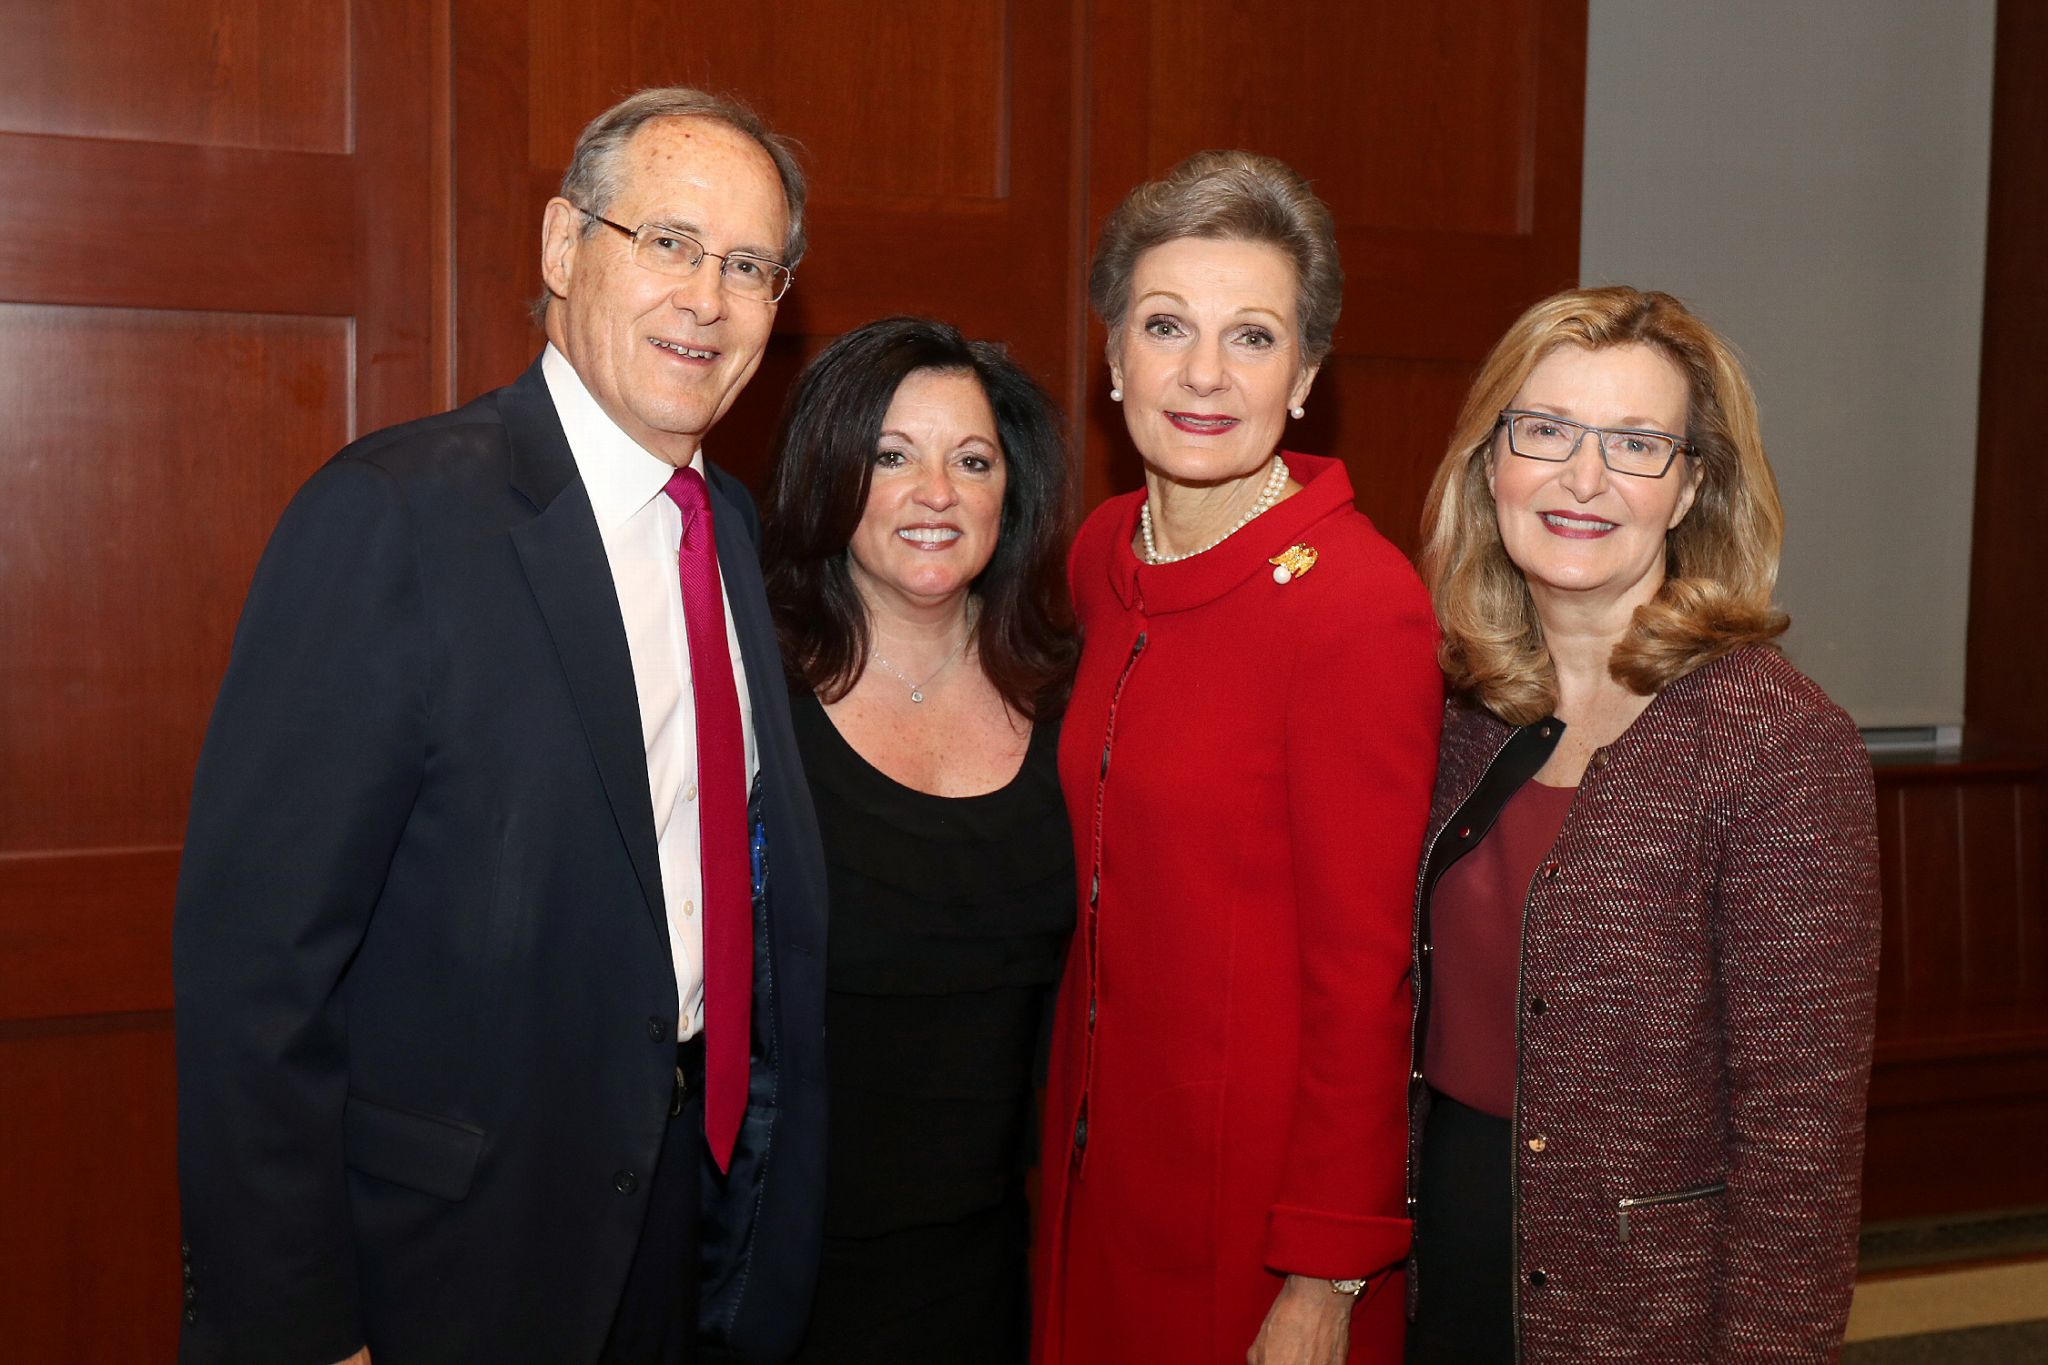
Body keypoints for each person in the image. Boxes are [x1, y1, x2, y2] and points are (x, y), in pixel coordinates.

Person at [173, 87, 828, 1365]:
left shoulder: (730, 532)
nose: (707, 299)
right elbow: (258, 974)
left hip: (673, 1225)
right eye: (669, 242)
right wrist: (298, 1330)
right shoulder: (392, 519)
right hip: (443, 1263)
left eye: (750, 266)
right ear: (563, 246)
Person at [1406, 285, 1881, 1361]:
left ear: (1688, 488)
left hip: (1641, 1307)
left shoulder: (1774, 742)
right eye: (1546, 431)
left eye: (1634, 444)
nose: (1583, 479)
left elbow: (1800, 1142)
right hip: (1437, 1262)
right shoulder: (1454, 707)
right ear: (1490, 462)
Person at [1033, 151, 1442, 1365]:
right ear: (1112, 356)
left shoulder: (1358, 605)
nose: (1203, 374)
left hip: (1255, 1221)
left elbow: (1367, 973)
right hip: (1096, 1173)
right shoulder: (1103, 554)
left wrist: (1325, 1270)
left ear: (1304, 376)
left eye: (1251, 337)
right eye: (1166, 326)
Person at [761, 316, 1078, 1362]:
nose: (935, 493)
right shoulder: (748, 698)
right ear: (832, 476)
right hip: (776, 1274)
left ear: (1010, 492)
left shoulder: (1071, 701)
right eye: (892, 456)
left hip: (991, 1272)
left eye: (971, 461)